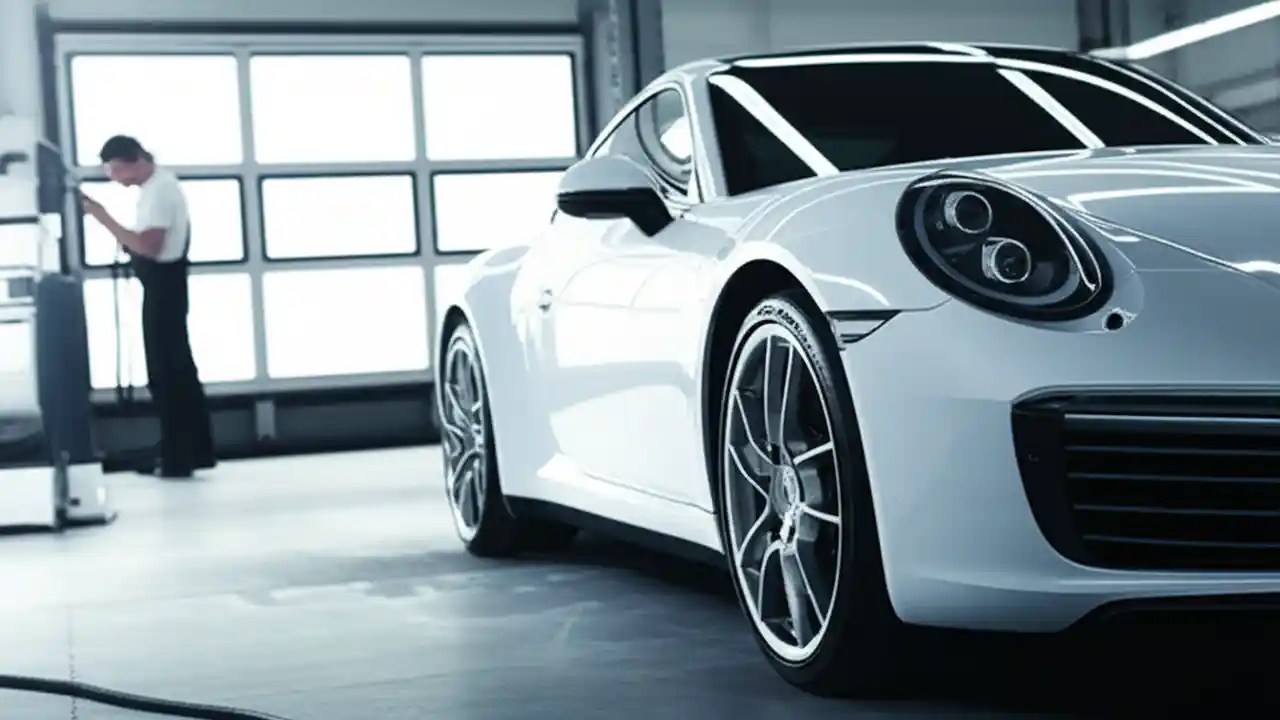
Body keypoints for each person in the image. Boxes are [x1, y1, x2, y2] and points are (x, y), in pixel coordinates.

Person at [80, 135, 216, 479]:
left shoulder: (161, 191)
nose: (115, 179)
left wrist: (102, 217)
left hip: (164, 287)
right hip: (162, 285)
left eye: (117, 170)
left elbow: (149, 246)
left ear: (137, 159)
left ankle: (179, 457)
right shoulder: (154, 189)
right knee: (176, 368)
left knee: (167, 372)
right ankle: (191, 450)